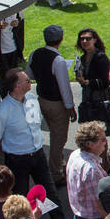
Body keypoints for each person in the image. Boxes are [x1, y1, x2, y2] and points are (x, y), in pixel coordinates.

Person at [0, 69, 77, 219]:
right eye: (27, 81)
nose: (31, 83)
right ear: (17, 85)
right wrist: (14, 148)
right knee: (21, 200)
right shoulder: (2, 111)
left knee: (51, 194)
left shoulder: (31, 100)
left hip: (37, 155)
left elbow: (35, 125)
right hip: (17, 160)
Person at [27, 24, 75, 186]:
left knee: (55, 135)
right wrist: (70, 107)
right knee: (58, 138)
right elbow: (64, 86)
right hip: (56, 104)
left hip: (42, 99)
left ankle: (59, 165)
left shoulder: (35, 53)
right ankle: (56, 173)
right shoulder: (58, 60)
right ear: (60, 40)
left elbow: (30, 74)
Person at [65, 122, 109, 219]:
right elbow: (98, 203)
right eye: (102, 139)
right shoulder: (91, 170)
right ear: (90, 144)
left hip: (80, 216)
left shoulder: (75, 154)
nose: (106, 142)